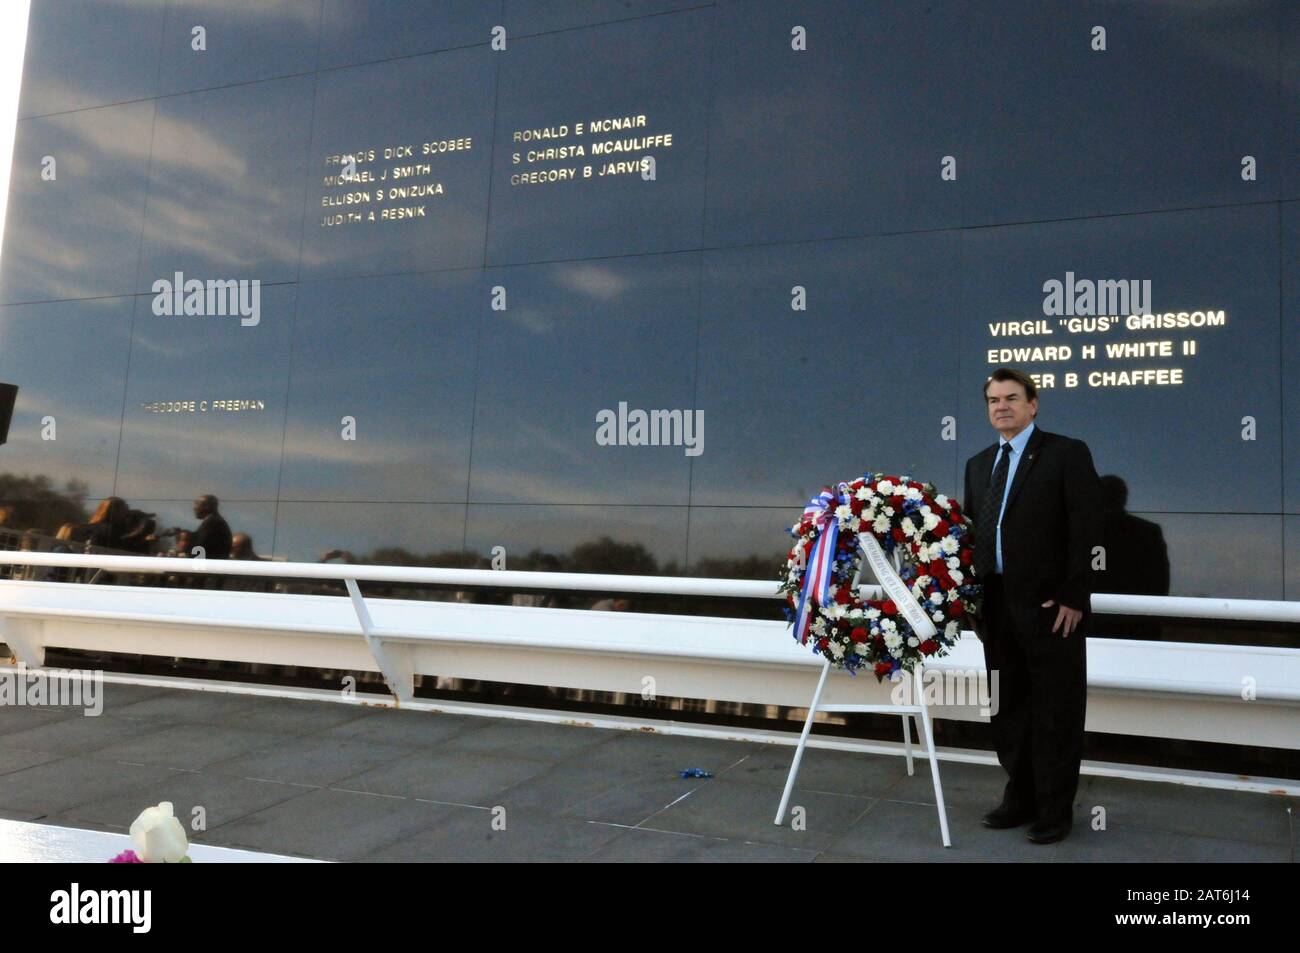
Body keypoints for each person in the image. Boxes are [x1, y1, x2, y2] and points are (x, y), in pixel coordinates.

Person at [963, 367, 1103, 845]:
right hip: (996, 606)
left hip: (1049, 608)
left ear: (1033, 404)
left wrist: (1073, 594)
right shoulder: (978, 464)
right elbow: (971, 536)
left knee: (1055, 711)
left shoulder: (1065, 454)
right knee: (1007, 708)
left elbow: (1086, 527)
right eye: (992, 400)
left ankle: (1054, 811)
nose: (1000, 406)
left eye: (1011, 398)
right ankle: (1018, 798)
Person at [182, 494, 232, 559]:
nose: (194, 508)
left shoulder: (213, 523)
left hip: (210, 566)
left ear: (207, 507)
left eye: (197, 504)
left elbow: (199, 547)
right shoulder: (214, 522)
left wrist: (186, 547)